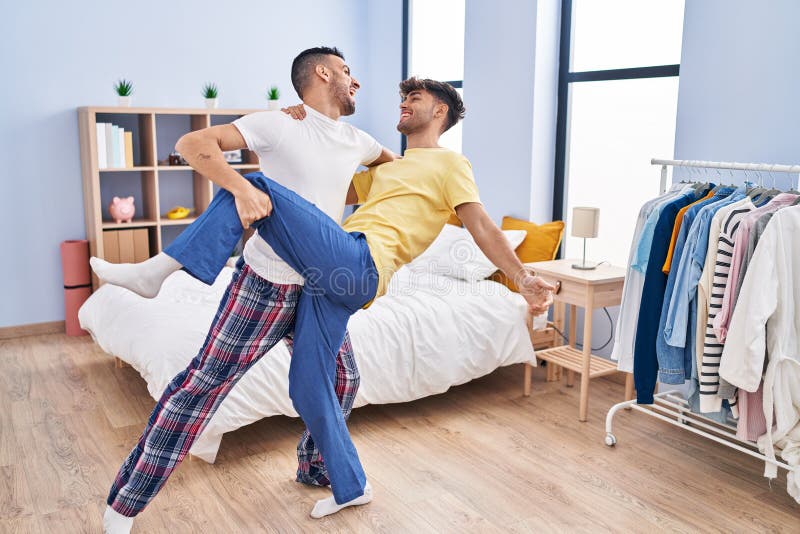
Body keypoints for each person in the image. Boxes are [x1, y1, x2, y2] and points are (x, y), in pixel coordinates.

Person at [98, 75, 555, 532]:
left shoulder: (453, 166)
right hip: (328, 279)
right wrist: (301, 123)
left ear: (440, 111)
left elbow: (482, 228)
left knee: (258, 188)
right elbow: (315, 185)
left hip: (360, 265)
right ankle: (352, 487)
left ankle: (157, 271)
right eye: (402, 96)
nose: (403, 103)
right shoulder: (386, 168)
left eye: (414, 98)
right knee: (311, 387)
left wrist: (522, 277)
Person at [97, 46, 395, 534]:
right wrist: (241, 188)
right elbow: (194, 144)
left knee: (343, 381)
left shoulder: (358, 140)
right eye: (346, 71)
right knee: (201, 387)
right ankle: (125, 505)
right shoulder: (279, 124)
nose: (355, 81)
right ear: (322, 73)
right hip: (267, 284)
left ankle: (315, 469)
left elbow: (398, 174)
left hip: (320, 288)